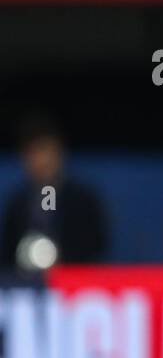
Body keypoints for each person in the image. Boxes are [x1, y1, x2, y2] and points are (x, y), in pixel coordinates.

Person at [2, 115, 108, 270]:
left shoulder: (83, 200)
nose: (42, 160)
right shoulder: (17, 204)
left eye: (46, 151)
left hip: (72, 282)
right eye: (34, 153)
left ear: (59, 153)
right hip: (25, 285)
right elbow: (7, 253)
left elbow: (96, 246)